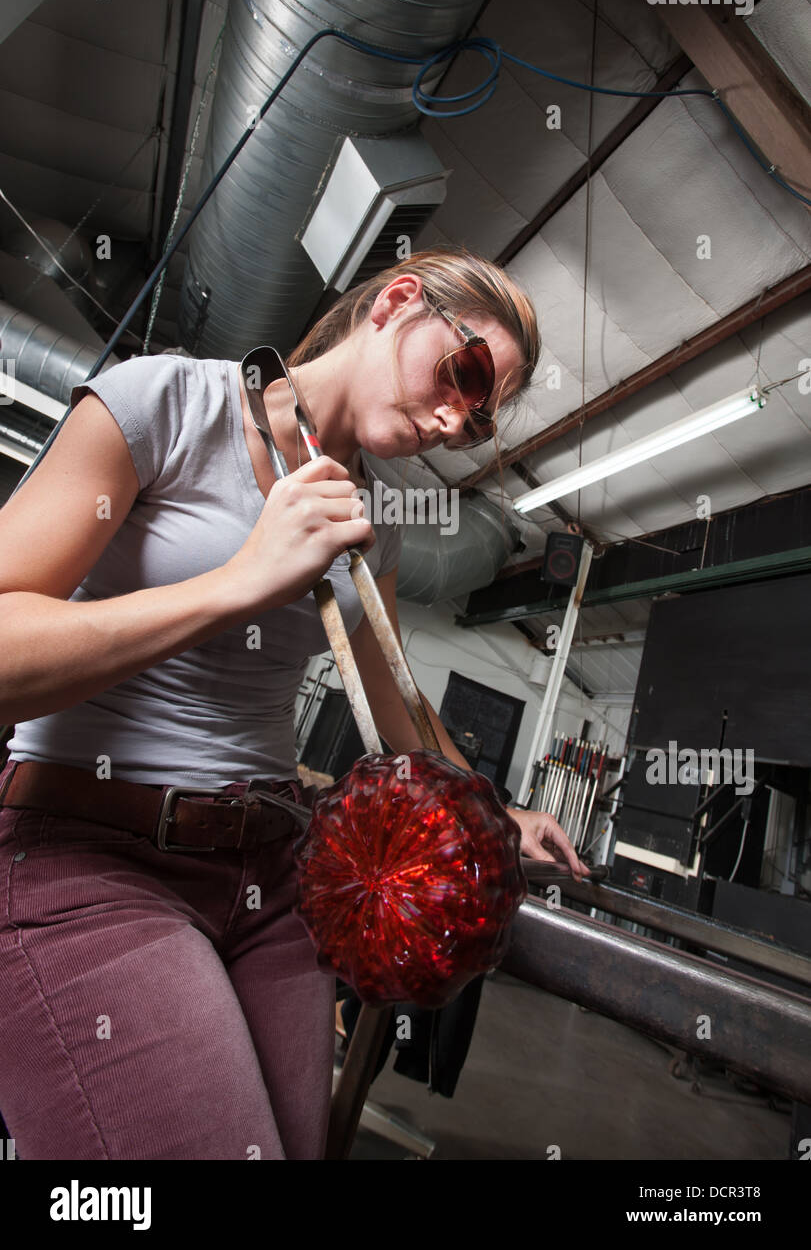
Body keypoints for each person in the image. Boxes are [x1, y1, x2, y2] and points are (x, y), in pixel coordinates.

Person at [0, 247, 587, 1161]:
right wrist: (238, 583)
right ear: (397, 300)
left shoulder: (376, 521)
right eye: (462, 373)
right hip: (90, 854)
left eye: (474, 419)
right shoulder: (166, 403)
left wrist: (496, 812)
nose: (448, 417)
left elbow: (397, 702)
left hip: (275, 877)